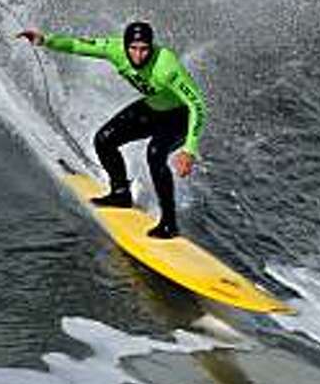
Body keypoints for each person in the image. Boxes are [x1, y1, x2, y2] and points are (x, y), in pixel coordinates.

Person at [19, 20, 206, 239]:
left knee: (155, 154)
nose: (138, 55)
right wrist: (45, 40)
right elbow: (80, 46)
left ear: (151, 47)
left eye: (144, 49)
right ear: (125, 46)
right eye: (133, 49)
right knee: (104, 140)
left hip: (179, 117)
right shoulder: (114, 49)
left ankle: (169, 223)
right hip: (153, 108)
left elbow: (197, 105)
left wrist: (189, 149)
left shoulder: (166, 65)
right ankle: (120, 193)